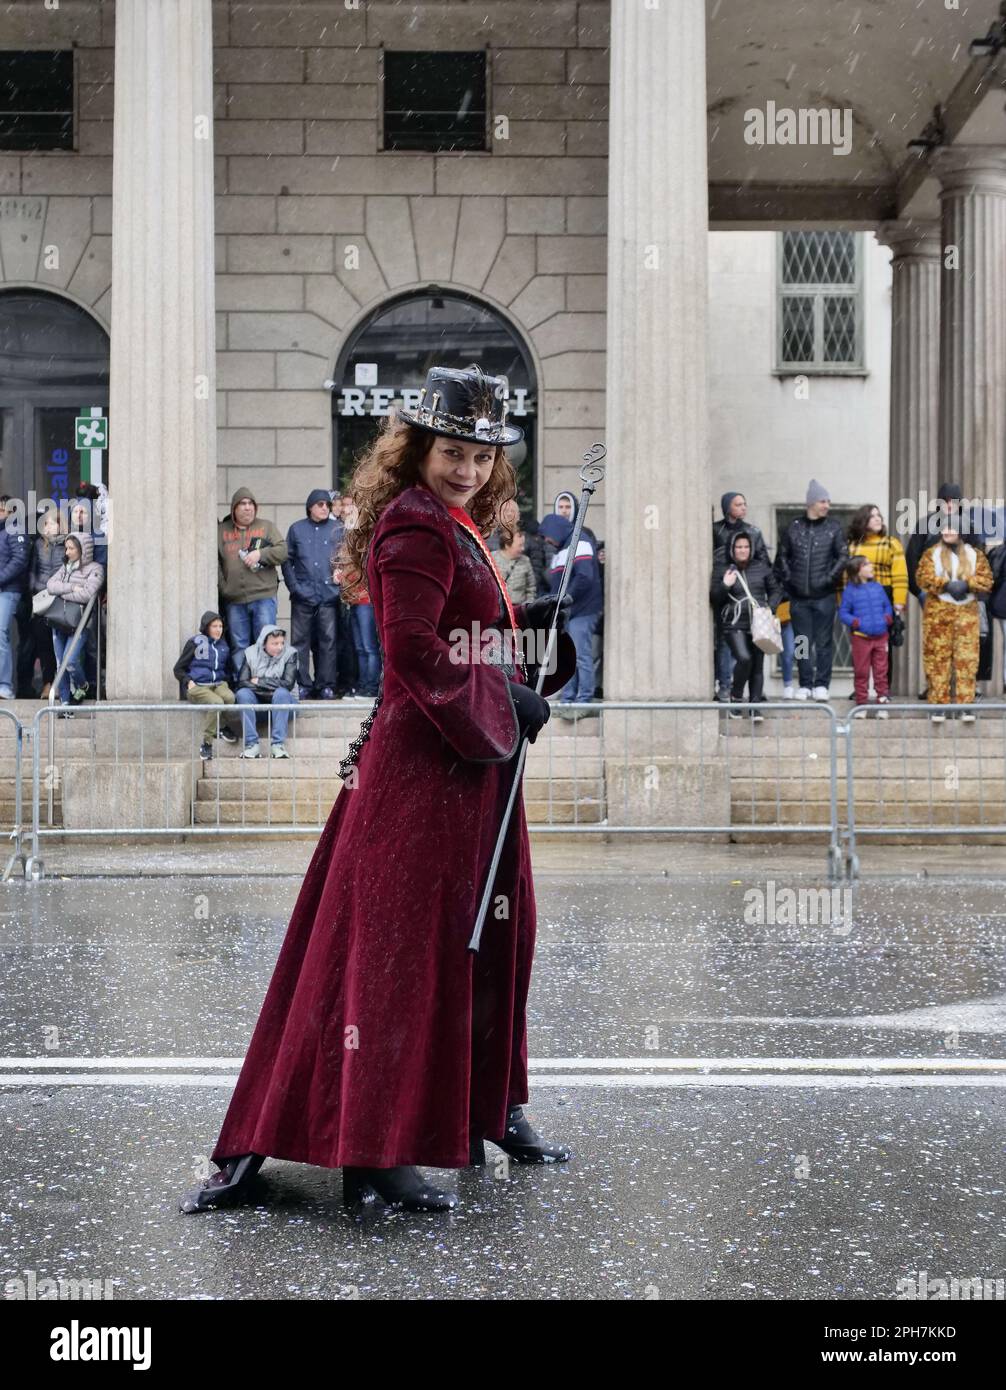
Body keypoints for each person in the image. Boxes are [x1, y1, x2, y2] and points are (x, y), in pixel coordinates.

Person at [179, 362, 577, 1217]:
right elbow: (414, 654)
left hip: (471, 769)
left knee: (497, 937)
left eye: (479, 453)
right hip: (422, 774)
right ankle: (377, 1150)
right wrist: (503, 694)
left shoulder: (458, 523)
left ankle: (487, 1107)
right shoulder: (415, 527)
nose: (467, 466)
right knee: (401, 960)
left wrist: (532, 647)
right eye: (451, 450)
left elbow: (461, 635)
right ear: (418, 449)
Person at [774, 479, 848, 701]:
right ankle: (805, 683)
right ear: (811, 503)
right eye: (823, 501)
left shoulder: (833, 528)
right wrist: (790, 580)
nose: (827, 505)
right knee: (801, 642)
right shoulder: (794, 527)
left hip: (824, 595)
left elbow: (843, 556)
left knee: (824, 642)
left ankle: (822, 685)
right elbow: (782, 557)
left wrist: (828, 579)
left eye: (828, 501)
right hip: (799, 598)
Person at [915, 520, 992, 721]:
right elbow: (922, 577)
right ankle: (938, 706)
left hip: (966, 615)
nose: (947, 532)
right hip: (938, 615)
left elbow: (987, 580)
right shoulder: (931, 553)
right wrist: (947, 585)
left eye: (952, 528)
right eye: (945, 528)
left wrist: (967, 585)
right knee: (937, 659)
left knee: (966, 660)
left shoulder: (975, 555)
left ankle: (966, 705)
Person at [217, 487, 288, 681]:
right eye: (242, 504)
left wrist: (261, 554)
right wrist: (224, 588)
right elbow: (214, 562)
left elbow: (283, 551)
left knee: (265, 642)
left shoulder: (266, 527)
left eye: (251, 504)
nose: (247, 508)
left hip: (263, 596)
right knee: (239, 645)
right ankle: (243, 685)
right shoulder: (221, 531)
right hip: (234, 599)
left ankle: (265, 683)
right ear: (234, 509)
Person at [539, 505, 603, 718]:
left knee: (581, 656)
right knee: (571, 656)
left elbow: (584, 576)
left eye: (547, 536)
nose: (547, 541)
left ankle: (583, 699)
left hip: (582, 610)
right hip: (570, 611)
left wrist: (567, 599)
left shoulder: (580, 541)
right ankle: (568, 698)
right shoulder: (562, 550)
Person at [710, 529, 781, 719]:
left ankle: (755, 707)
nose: (743, 550)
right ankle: (736, 696)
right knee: (744, 658)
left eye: (746, 547)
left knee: (757, 666)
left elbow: (776, 591)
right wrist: (725, 584)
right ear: (732, 549)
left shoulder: (762, 567)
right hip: (734, 623)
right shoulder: (722, 569)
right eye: (739, 547)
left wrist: (770, 607)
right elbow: (714, 598)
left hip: (759, 622)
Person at [282, 489, 342, 700]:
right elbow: (286, 560)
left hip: (328, 595)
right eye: (320, 504)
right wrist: (295, 588)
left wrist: (341, 575)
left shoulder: (338, 529)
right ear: (310, 507)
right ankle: (303, 684)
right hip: (302, 596)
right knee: (300, 642)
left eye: (327, 504)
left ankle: (326, 684)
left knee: (328, 642)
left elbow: (347, 558)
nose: (325, 507)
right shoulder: (296, 529)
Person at [712, 493, 770, 701]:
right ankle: (725, 685)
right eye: (738, 504)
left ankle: (751, 691)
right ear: (728, 507)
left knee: (754, 653)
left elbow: (764, 562)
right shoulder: (715, 530)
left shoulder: (752, 531)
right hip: (726, 595)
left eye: (745, 504)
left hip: (751, 600)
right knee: (725, 644)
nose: (744, 507)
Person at [44, 534, 104, 706]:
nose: (67, 552)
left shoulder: (96, 569)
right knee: (59, 664)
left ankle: (82, 685)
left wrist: (62, 593)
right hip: (58, 621)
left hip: (79, 622)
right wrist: (71, 588)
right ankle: (65, 702)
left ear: (82, 550)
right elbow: (50, 585)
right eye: (66, 548)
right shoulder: (65, 567)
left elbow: (86, 594)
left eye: (71, 548)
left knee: (69, 661)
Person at [173, 611, 241, 761]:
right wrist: (187, 681)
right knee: (216, 703)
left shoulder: (223, 645)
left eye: (221, 626)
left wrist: (227, 681)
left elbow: (227, 669)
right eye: (214, 626)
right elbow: (178, 668)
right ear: (206, 627)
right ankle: (207, 743)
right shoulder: (195, 642)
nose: (218, 630)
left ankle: (221, 727)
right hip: (198, 686)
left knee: (229, 698)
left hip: (217, 683)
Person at [233, 624, 299, 758]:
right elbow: (242, 682)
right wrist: (270, 689)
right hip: (260, 707)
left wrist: (259, 682)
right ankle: (252, 745)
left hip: (286, 706)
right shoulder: (250, 653)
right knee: (242, 694)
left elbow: (287, 684)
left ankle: (278, 745)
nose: (280, 647)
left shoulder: (290, 654)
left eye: (281, 643)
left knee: (281, 693)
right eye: (274, 643)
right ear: (263, 643)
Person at [838, 556, 893, 717]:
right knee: (861, 672)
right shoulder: (850, 590)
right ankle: (861, 704)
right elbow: (843, 613)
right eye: (866, 564)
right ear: (858, 569)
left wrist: (887, 618)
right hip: (861, 637)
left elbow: (887, 606)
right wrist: (856, 623)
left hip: (881, 636)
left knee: (881, 671)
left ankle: (882, 703)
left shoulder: (877, 587)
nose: (871, 566)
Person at [19, 510, 63, 698]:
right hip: (40, 599)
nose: (49, 527)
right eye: (46, 524)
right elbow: (32, 571)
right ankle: (48, 683)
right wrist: (34, 590)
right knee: (43, 643)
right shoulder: (38, 545)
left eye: (53, 523)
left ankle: (62, 684)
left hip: (61, 599)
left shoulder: (67, 544)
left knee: (59, 644)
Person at [0, 495, 31, 700]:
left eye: (2, 510)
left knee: (1, 633)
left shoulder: (15, 530)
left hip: (9, 589)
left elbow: (20, 560)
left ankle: (5, 685)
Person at [495, 525, 537, 606]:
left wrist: (526, 607)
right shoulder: (492, 560)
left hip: (519, 609)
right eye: (520, 545)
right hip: (499, 609)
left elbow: (531, 589)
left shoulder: (525, 561)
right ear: (507, 545)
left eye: (523, 545)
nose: (523, 548)